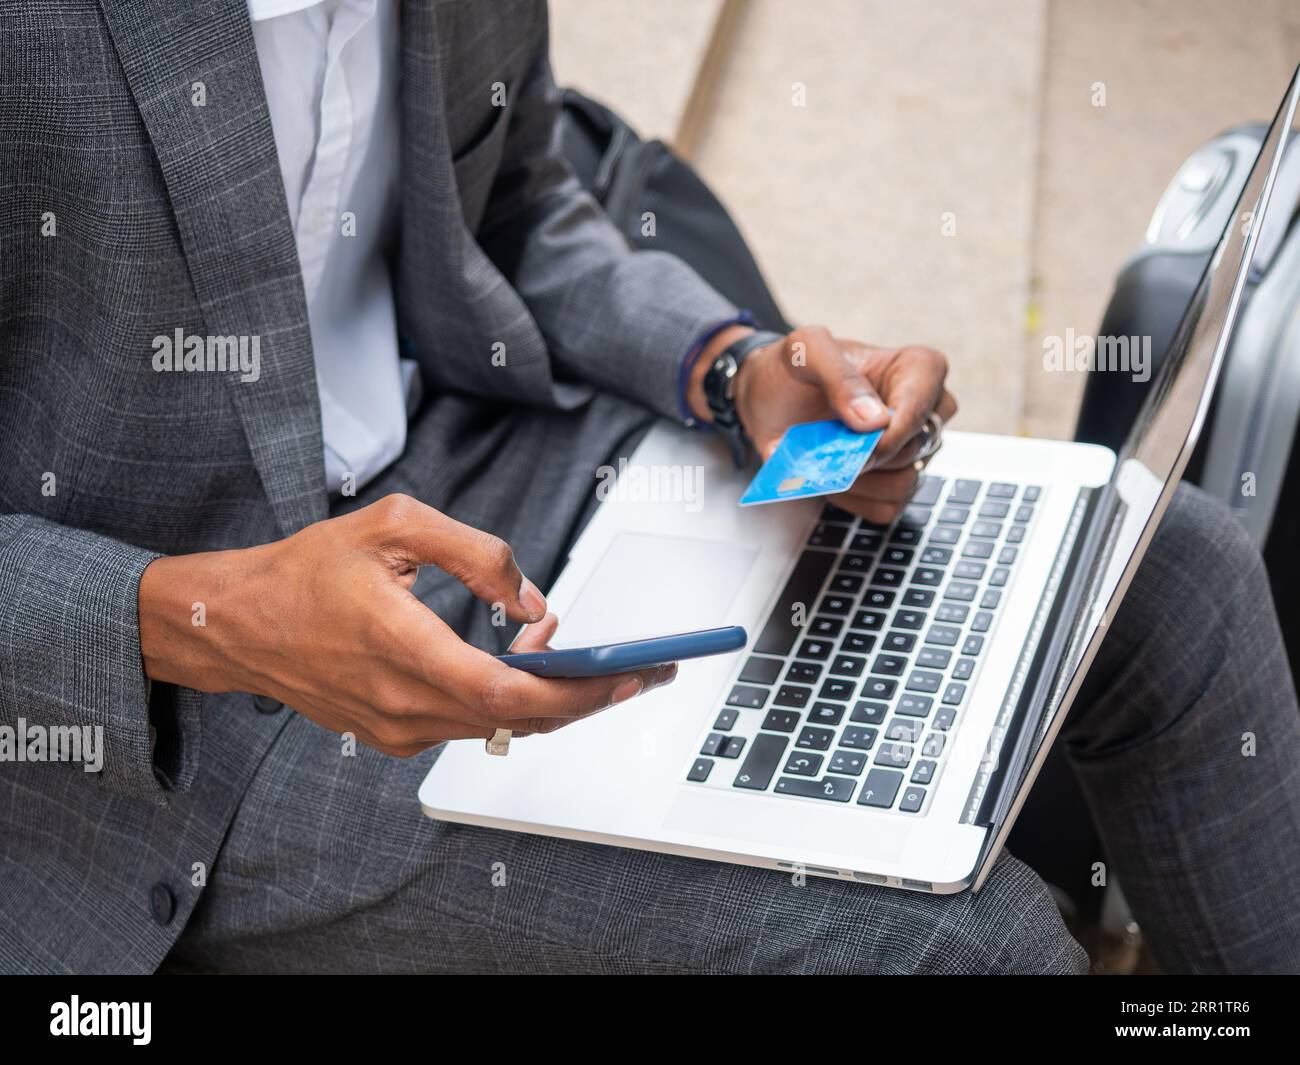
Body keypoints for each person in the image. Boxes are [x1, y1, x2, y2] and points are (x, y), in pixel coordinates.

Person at [1, 0, 1297, 975]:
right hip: (174, 691)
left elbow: (517, 204)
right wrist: (203, 615)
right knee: (967, 948)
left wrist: (730, 367)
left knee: (1173, 572)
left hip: (482, 469)